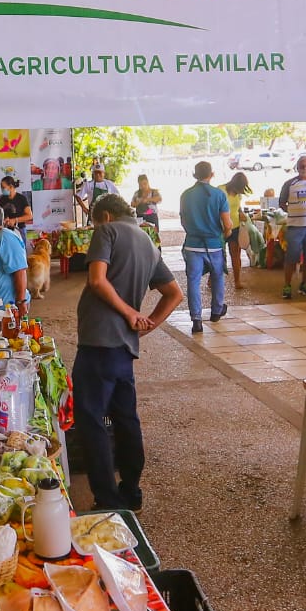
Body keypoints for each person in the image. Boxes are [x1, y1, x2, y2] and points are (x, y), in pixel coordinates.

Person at [73, 194, 183, 511]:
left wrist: (130, 314)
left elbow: (96, 280)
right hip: (123, 348)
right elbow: (174, 294)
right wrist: (149, 323)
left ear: (105, 216)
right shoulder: (148, 243)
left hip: (99, 343)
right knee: (125, 418)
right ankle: (131, 491)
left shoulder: (107, 232)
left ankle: (107, 499)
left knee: (91, 420)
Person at [180, 161, 231, 333]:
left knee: (193, 281)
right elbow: (227, 223)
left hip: (193, 244)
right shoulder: (219, 195)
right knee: (217, 277)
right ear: (212, 174)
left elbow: (183, 220)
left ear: (195, 174)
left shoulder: (185, 195)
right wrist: (225, 235)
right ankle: (216, 311)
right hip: (214, 244)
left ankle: (196, 319)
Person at [278, 155, 306, 299]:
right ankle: (287, 285)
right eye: (302, 166)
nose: (305, 169)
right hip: (295, 227)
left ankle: (304, 284)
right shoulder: (289, 184)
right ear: (297, 168)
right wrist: (293, 212)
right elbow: (282, 203)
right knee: (291, 257)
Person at [222, 173, 252, 288]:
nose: (239, 191)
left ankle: (237, 281)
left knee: (236, 254)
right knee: (219, 255)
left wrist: (241, 212)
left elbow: (238, 207)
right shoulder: (221, 190)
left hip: (235, 227)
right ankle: (212, 279)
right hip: (220, 227)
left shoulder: (238, 194)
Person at [0, 176, 33, 243]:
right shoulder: (2, 199)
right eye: (1, 187)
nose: (2, 189)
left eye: (3, 187)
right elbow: (0, 214)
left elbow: (29, 216)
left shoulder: (21, 198)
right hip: (6, 230)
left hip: (19, 229)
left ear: (11, 187)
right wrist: (5, 219)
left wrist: (15, 220)